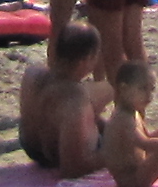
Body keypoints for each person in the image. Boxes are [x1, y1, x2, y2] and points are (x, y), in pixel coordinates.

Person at [16, 22, 104, 173]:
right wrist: (112, 155)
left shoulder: (32, 74)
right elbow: (72, 167)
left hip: (32, 148)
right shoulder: (75, 97)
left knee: (102, 121)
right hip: (58, 156)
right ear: (88, 58)